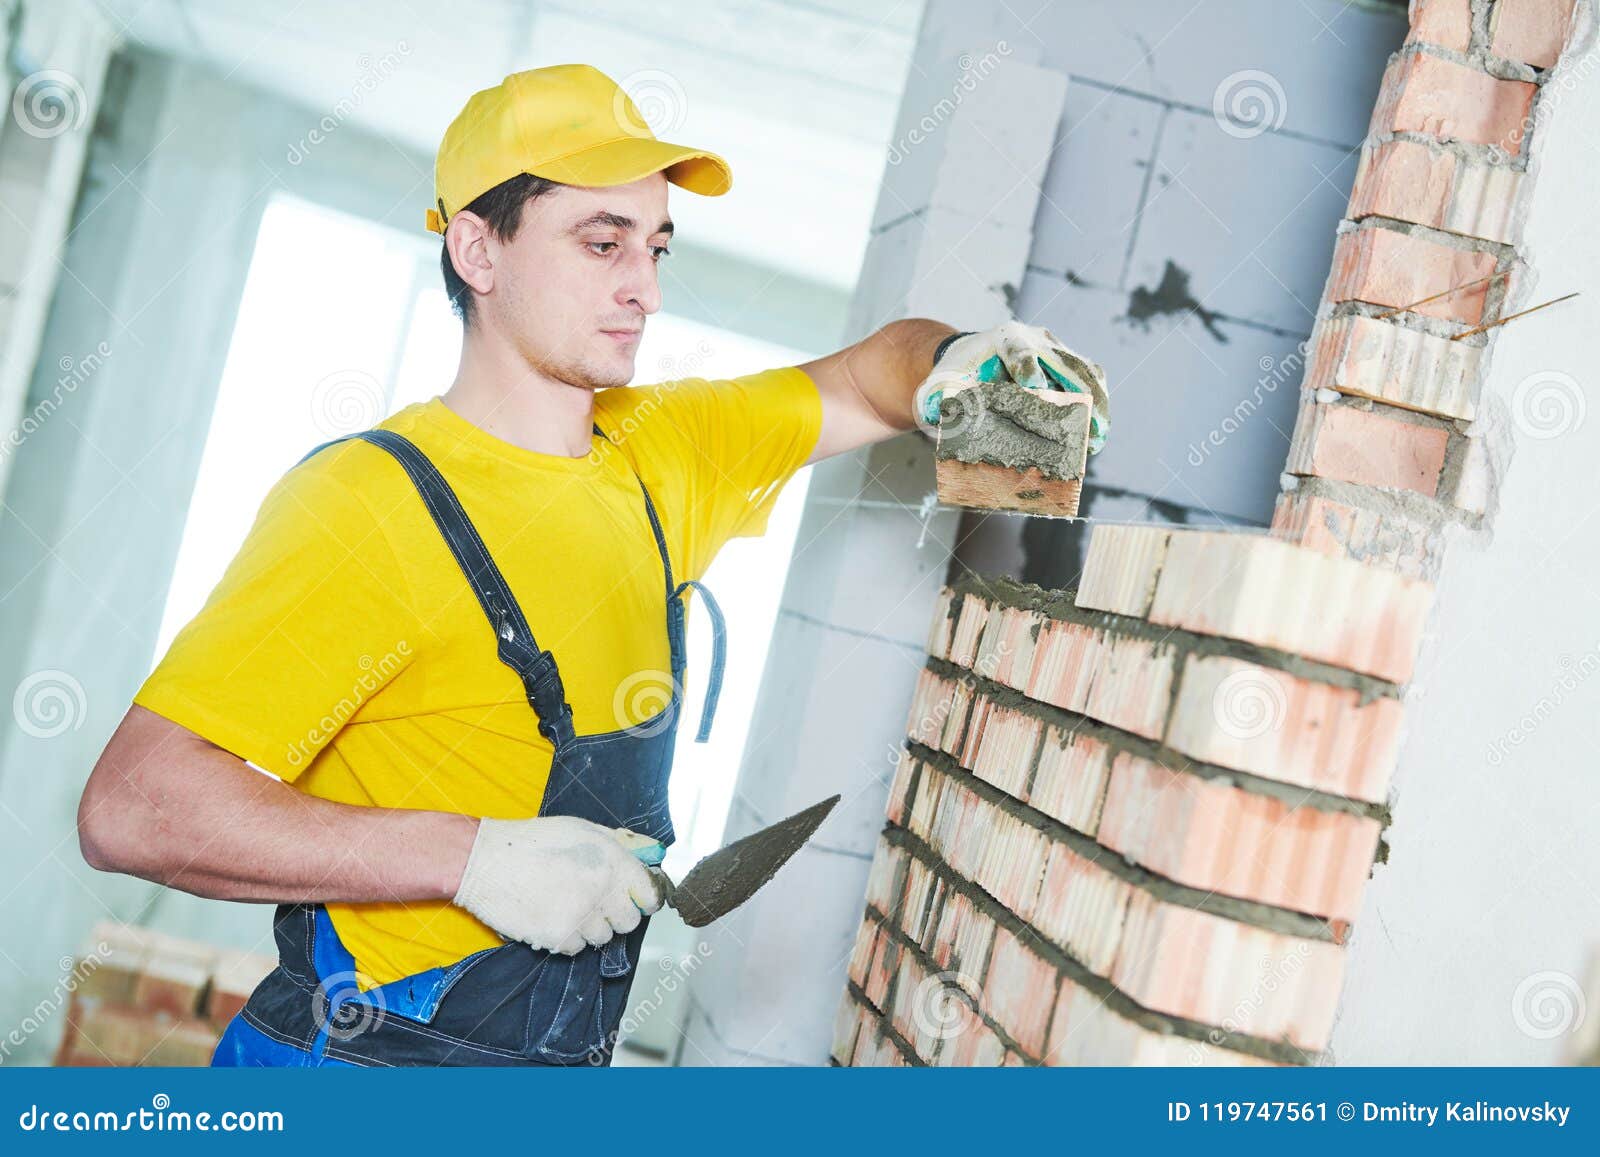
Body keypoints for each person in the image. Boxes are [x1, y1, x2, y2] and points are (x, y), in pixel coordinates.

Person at [76, 63, 1097, 1067]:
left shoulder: (665, 447)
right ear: (478, 248)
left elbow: (870, 375)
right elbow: (132, 805)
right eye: (602, 243)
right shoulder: (368, 503)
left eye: (655, 247)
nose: (644, 288)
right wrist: (469, 856)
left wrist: (959, 365)